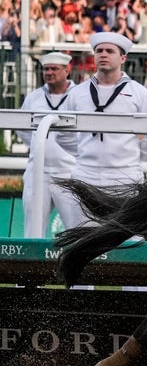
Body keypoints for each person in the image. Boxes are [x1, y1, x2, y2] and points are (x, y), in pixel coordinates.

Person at [54, 32, 147, 229]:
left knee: (126, 240)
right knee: (82, 239)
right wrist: (84, 152)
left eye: (109, 51)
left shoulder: (138, 92)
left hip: (125, 178)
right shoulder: (78, 93)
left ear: (123, 58)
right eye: (99, 51)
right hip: (85, 177)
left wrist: (133, 157)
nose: (103, 54)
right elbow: (62, 134)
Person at [17, 52, 77, 237]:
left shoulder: (79, 96)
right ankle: (32, 266)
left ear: (67, 70)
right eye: (46, 69)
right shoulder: (33, 98)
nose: (49, 72)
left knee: (77, 228)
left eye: (54, 69)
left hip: (69, 171)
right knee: (32, 230)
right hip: (37, 172)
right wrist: (39, 146)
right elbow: (22, 129)